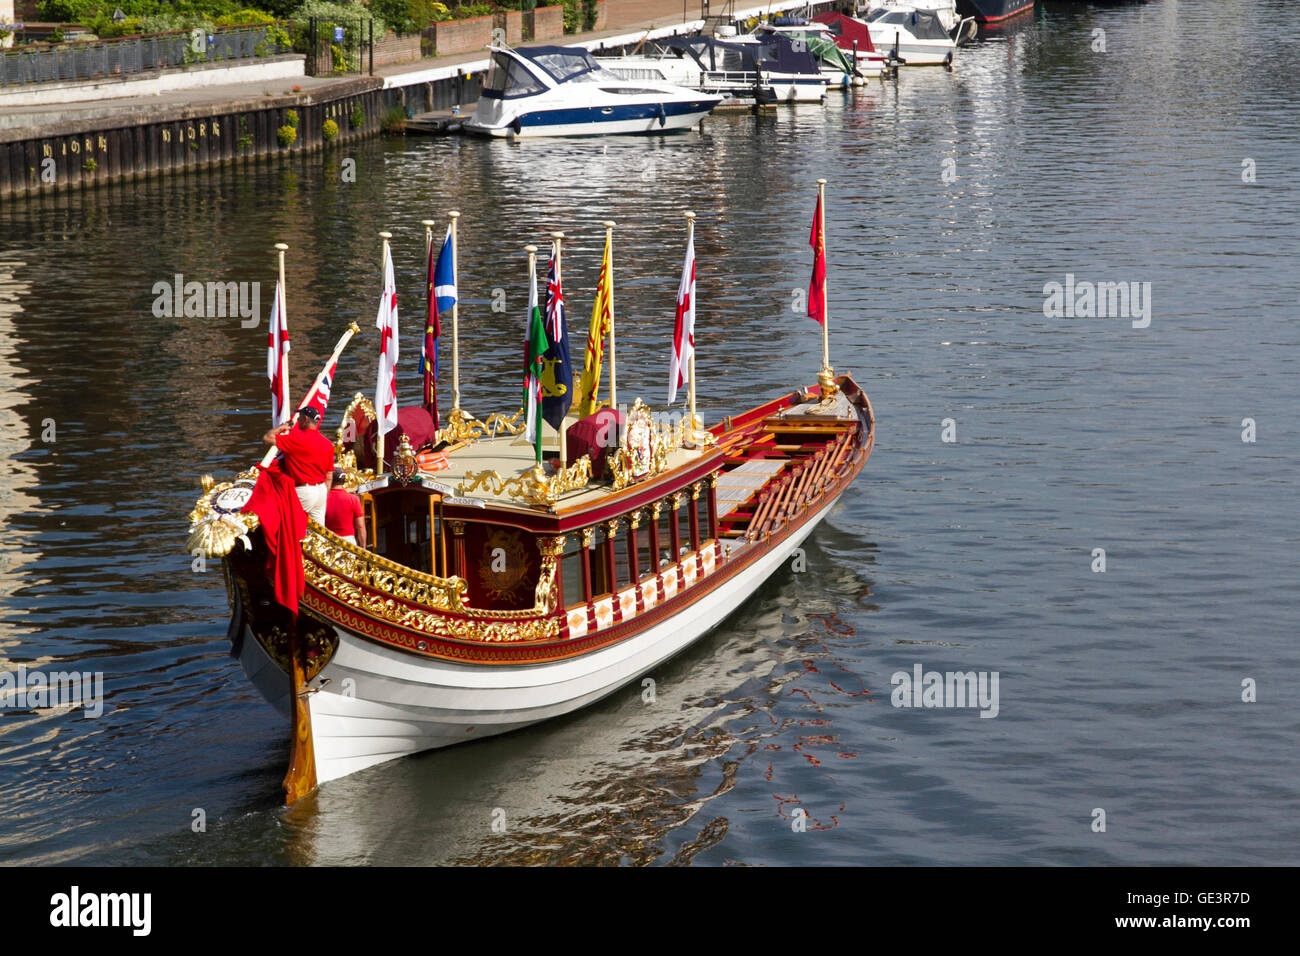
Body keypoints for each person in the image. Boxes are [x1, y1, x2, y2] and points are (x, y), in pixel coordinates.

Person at [263, 406, 334, 525]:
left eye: (299, 417)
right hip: (321, 491)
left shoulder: (295, 440)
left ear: (306, 419)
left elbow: (266, 438)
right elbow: (329, 475)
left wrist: (281, 427)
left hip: (303, 492)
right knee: (318, 534)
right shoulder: (328, 444)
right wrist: (324, 495)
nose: (297, 421)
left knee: (286, 526)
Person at [325, 469, 367, 548]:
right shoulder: (353, 499)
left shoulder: (323, 498)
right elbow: (360, 526)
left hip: (328, 540)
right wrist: (363, 548)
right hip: (348, 542)